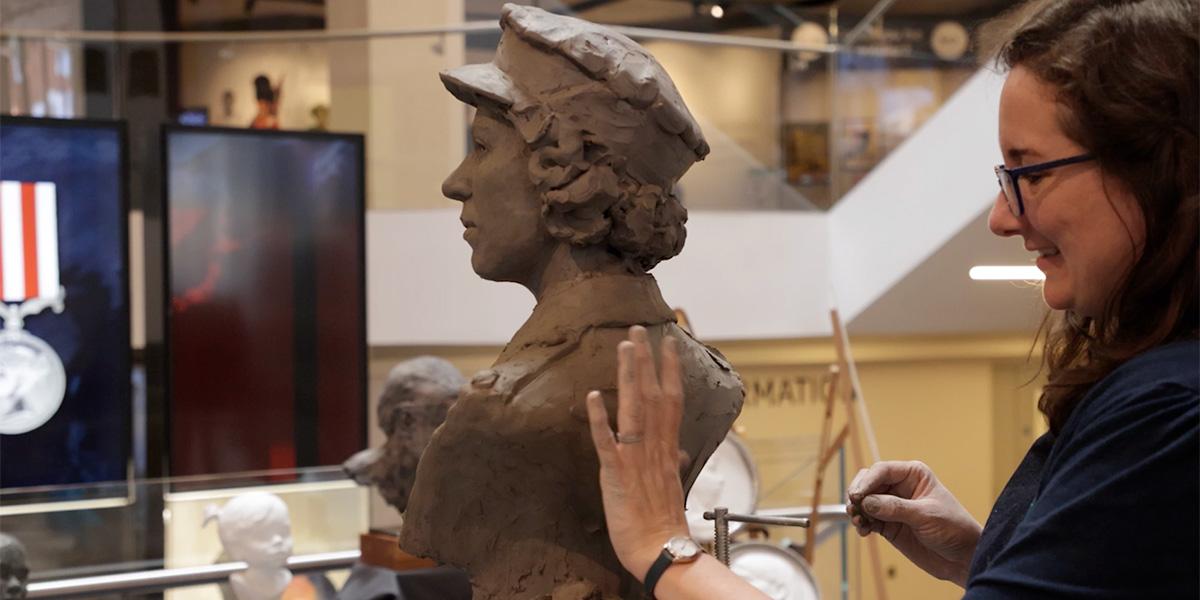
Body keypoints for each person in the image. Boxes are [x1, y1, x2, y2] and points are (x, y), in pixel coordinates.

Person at [585, 0, 1199, 598]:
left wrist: (668, 553)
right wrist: (985, 555)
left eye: (1031, 173)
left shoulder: (1170, 411)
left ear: (1157, 168)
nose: (1002, 219)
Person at [398, 5, 744, 599]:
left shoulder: (507, 413)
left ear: (562, 171)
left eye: (483, 146)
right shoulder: (710, 379)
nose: (456, 182)